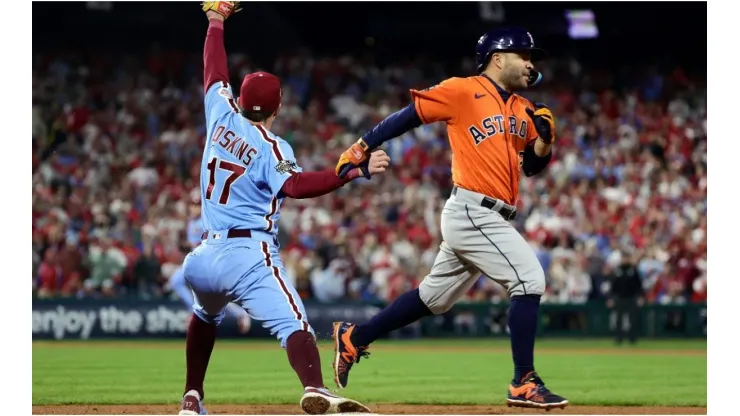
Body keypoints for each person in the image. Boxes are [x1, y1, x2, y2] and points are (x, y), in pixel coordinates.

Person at [331, 26, 568, 410]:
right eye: (524, 55)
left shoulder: (526, 108)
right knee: (529, 279)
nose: (530, 64)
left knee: (433, 299)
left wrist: (544, 141)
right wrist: (362, 146)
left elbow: (533, 167)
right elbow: (408, 117)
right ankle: (523, 382)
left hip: (492, 215)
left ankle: (354, 338)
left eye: (532, 58)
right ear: (498, 58)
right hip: (472, 210)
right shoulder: (463, 90)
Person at [178, 2, 389, 414]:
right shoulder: (272, 146)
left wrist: (216, 21)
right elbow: (294, 184)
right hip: (247, 255)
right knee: (295, 322)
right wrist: (349, 172)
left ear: (240, 100)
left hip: (202, 257)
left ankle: (192, 397)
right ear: (277, 108)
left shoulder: (220, 112)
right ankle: (315, 386)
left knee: (205, 316)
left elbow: (213, 69)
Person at [169, 197, 252, 334]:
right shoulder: (191, 222)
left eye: (197, 205)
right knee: (178, 282)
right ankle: (237, 313)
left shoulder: (205, 221)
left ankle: (239, 313)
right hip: (196, 262)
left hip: (207, 263)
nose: (194, 208)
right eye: (192, 205)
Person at [606, 249, 645, 345]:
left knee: (632, 319)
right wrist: (610, 298)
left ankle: (632, 338)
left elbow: (638, 285)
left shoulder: (633, 270)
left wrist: (640, 296)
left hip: (631, 297)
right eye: (624, 258)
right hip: (619, 297)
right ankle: (618, 337)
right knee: (618, 319)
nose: (625, 260)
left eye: (627, 257)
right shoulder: (617, 270)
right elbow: (613, 285)